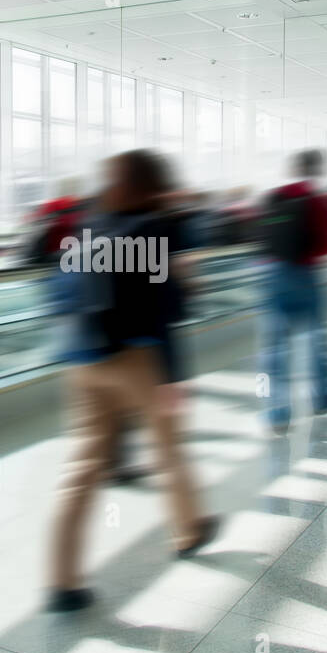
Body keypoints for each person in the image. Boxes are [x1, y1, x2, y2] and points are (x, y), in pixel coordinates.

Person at [47, 149, 218, 613]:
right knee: (168, 446)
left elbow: (63, 285)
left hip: (83, 357)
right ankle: (188, 529)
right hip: (137, 358)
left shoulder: (88, 222)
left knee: (82, 468)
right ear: (153, 187)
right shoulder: (154, 228)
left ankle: (62, 582)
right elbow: (166, 309)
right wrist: (172, 376)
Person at [258, 148, 327, 435]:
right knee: (317, 342)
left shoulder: (274, 196)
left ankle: (276, 414)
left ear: (294, 167)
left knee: (274, 350)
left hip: (272, 276)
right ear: (319, 169)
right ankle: (322, 398)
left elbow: (260, 239)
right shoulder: (319, 200)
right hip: (307, 276)